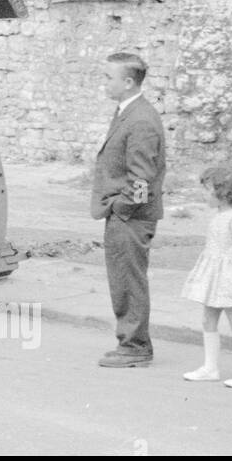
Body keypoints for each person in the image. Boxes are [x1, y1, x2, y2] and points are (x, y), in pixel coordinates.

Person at [91, 52, 167, 367]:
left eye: (109, 77)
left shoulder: (141, 120)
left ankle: (135, 347)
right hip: (124, 214)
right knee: (123, 280)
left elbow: (142, 179)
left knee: (129, 281)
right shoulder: (130, 112)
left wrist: (120, 209)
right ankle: (130, 342)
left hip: (130, 217)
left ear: (128, 81)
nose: (104, 82)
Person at [180, 164, 232, 387]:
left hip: (229, 277)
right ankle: (210, 367)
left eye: (208, 189)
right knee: (208, 319)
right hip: (214, 276)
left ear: (223, 192)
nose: (204, 194)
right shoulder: (218, 215)